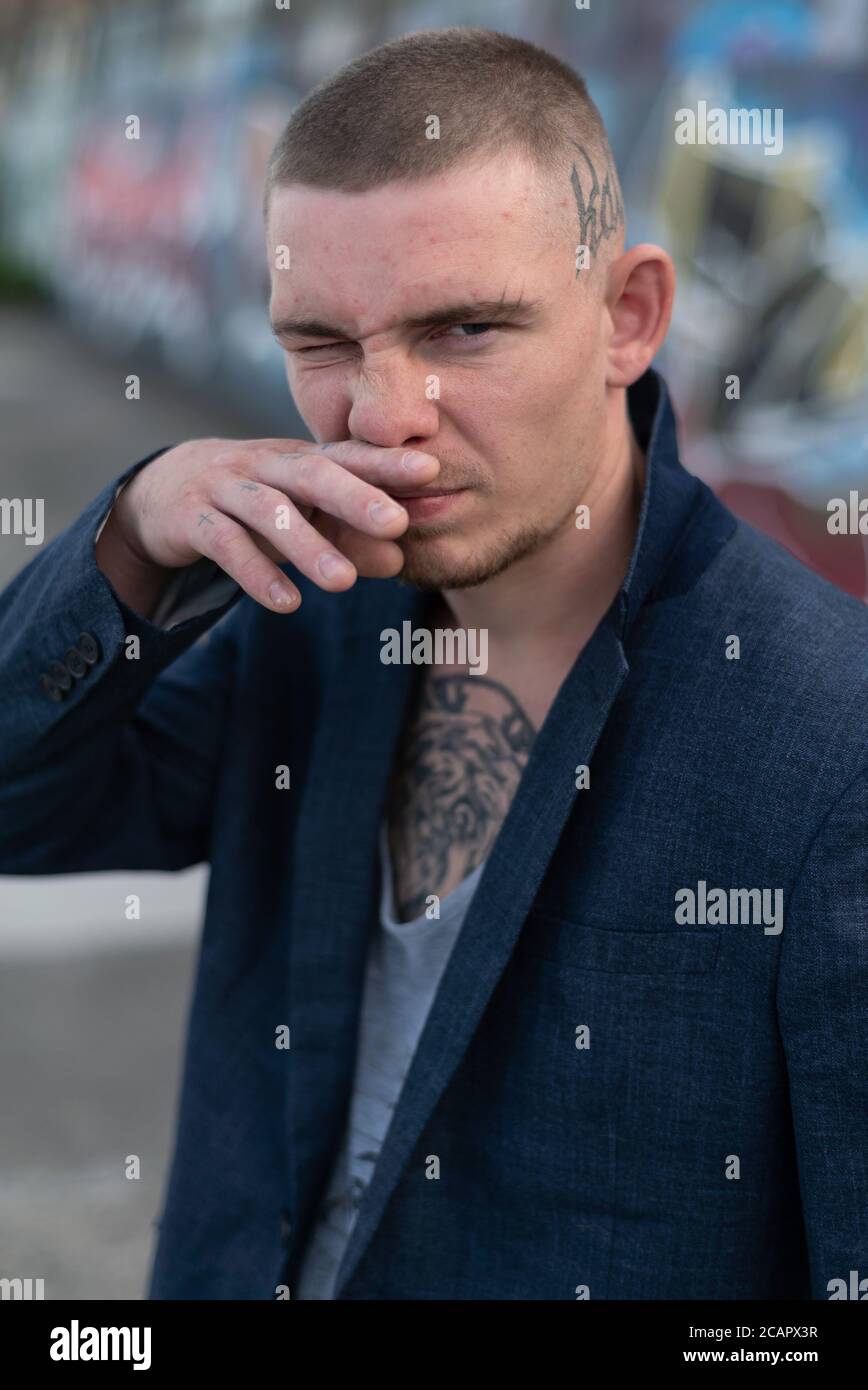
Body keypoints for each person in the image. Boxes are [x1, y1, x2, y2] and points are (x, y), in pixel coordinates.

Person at [1, 27, 865, 1301]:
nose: (381, 415)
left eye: (462, 329)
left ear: (629, 318)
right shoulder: (298, 612)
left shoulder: (824, 735)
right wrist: (127, 541)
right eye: (322, 344)